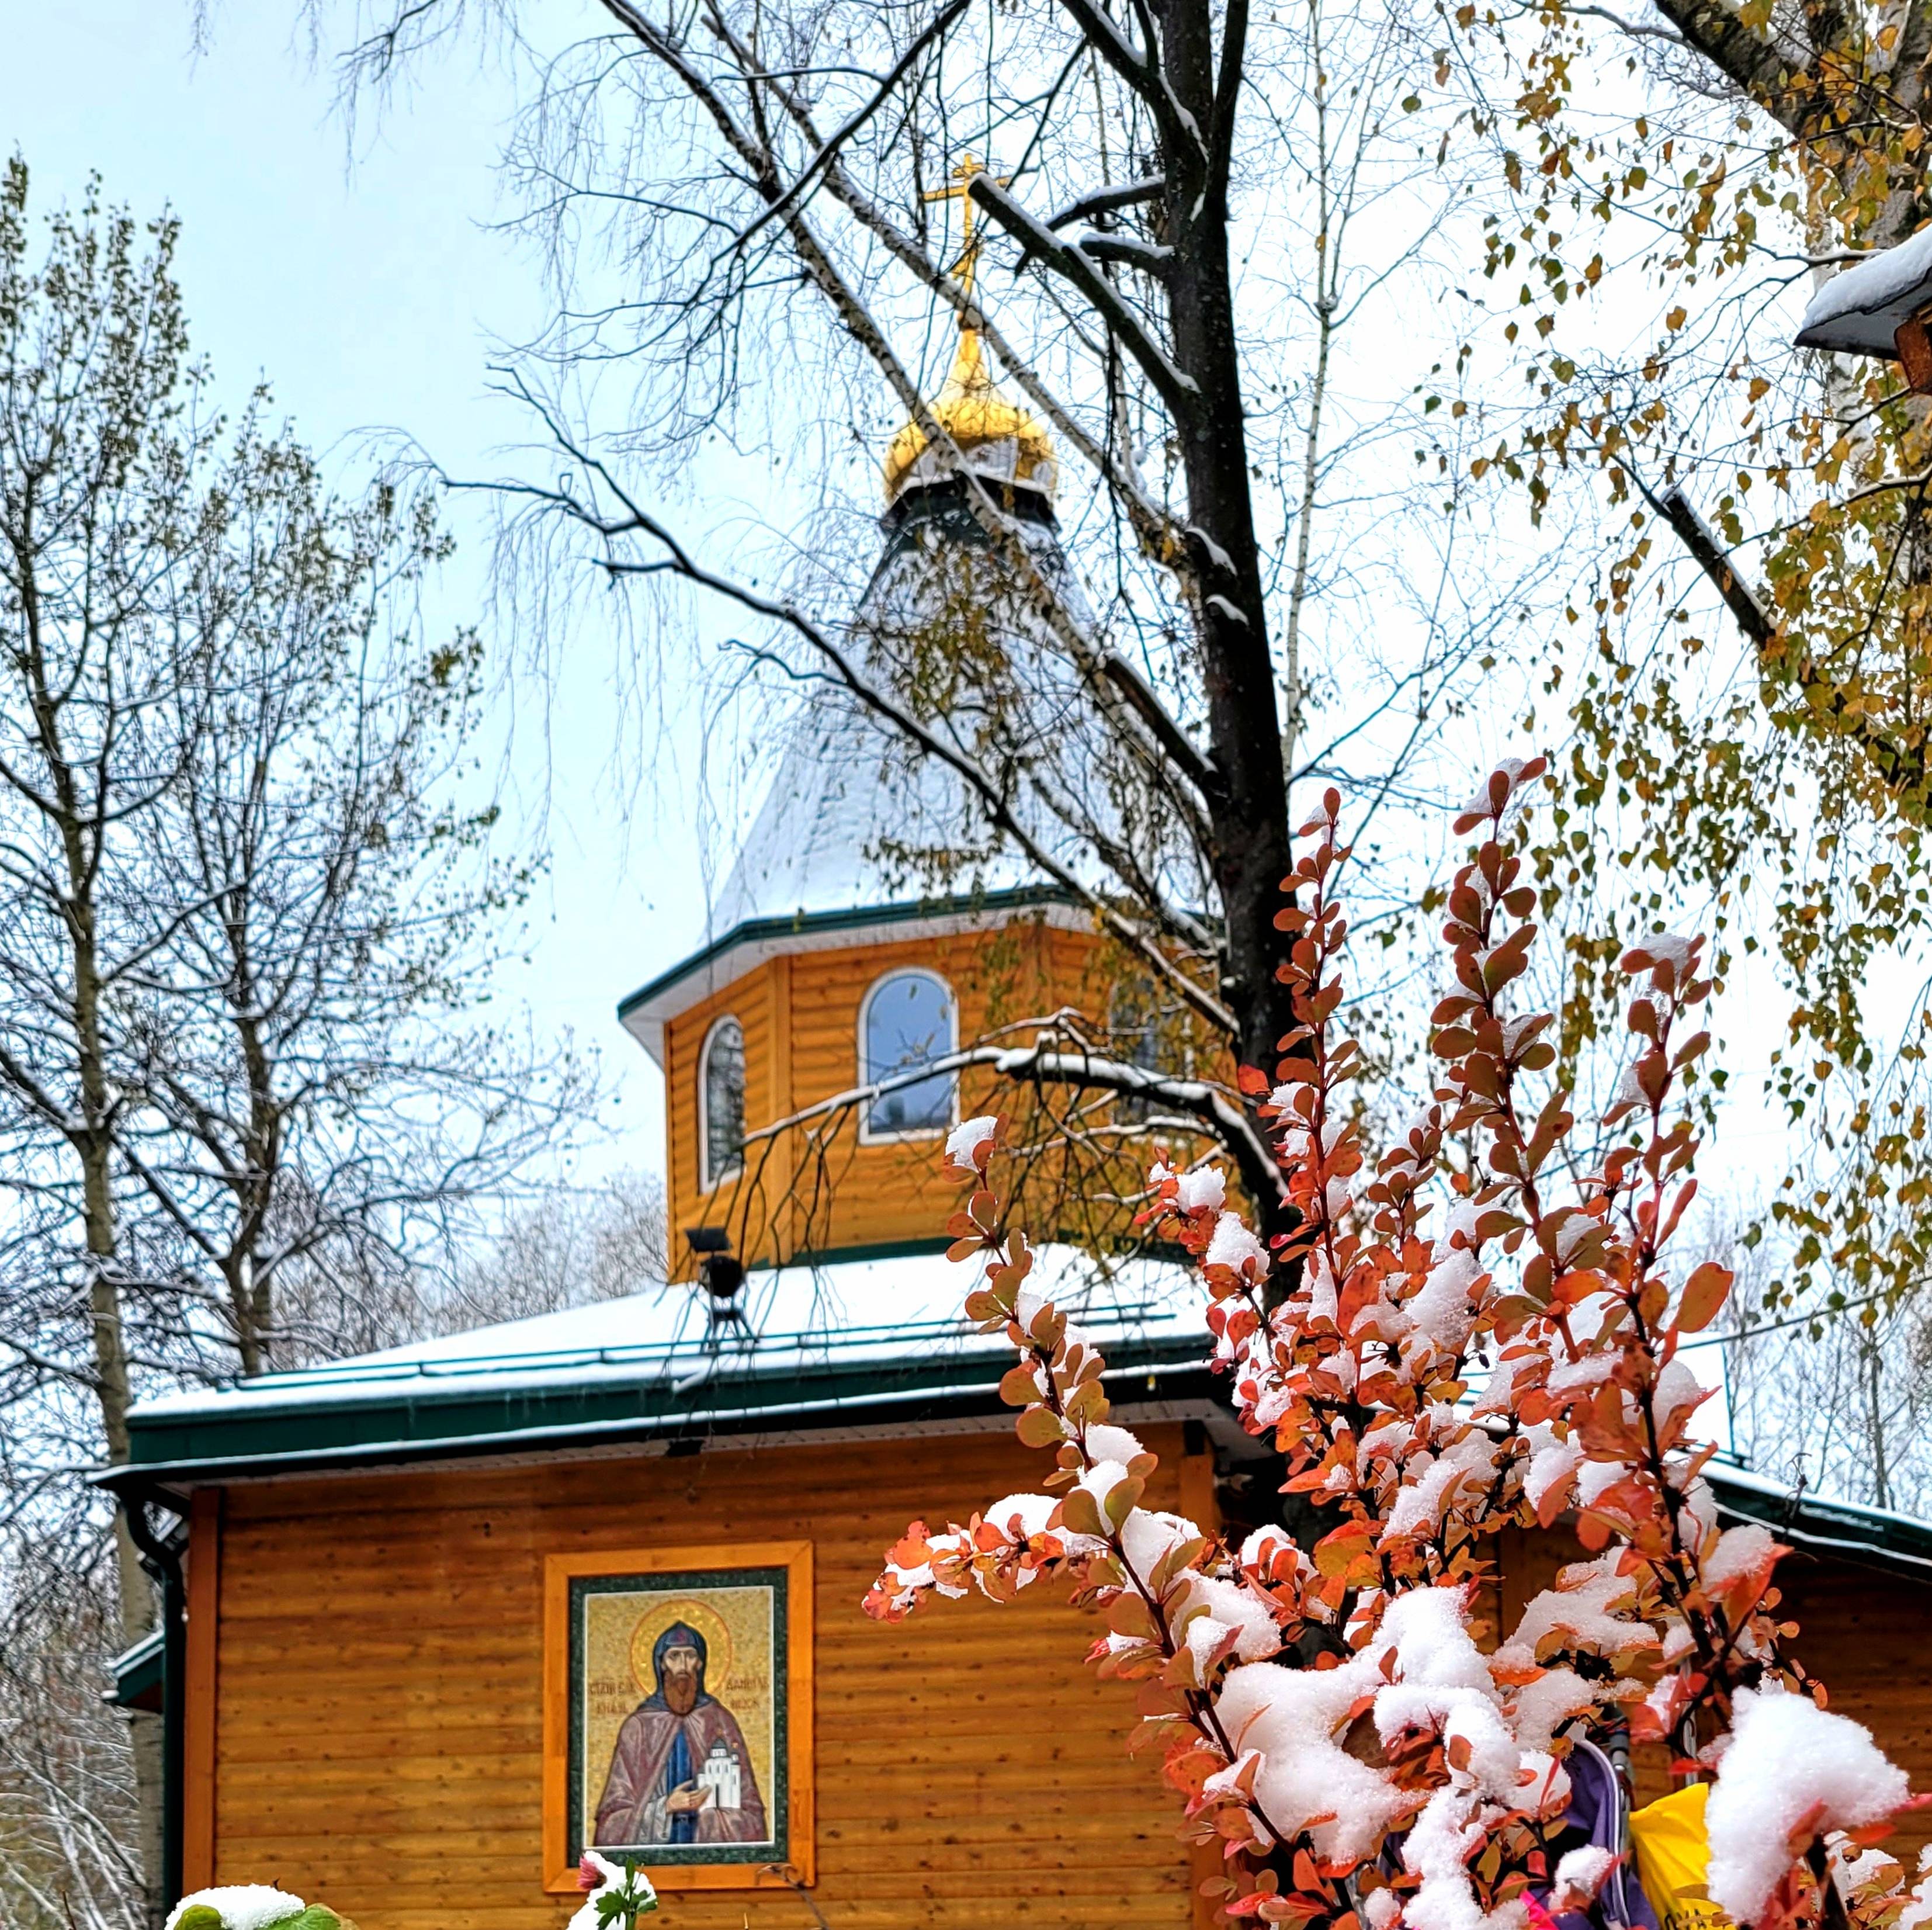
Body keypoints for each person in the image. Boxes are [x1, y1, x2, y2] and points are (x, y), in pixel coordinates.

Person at [594, 1621, 768, 1848]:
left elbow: (749, 1807)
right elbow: (613, 1818)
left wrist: (711, 1814)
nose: (683, 1665)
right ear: (662, 1664)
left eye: (690, 1656)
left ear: (701, 1663)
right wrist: (665, 1807)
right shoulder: (638, 1727)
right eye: (674, 1656)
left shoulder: (720, 1721)